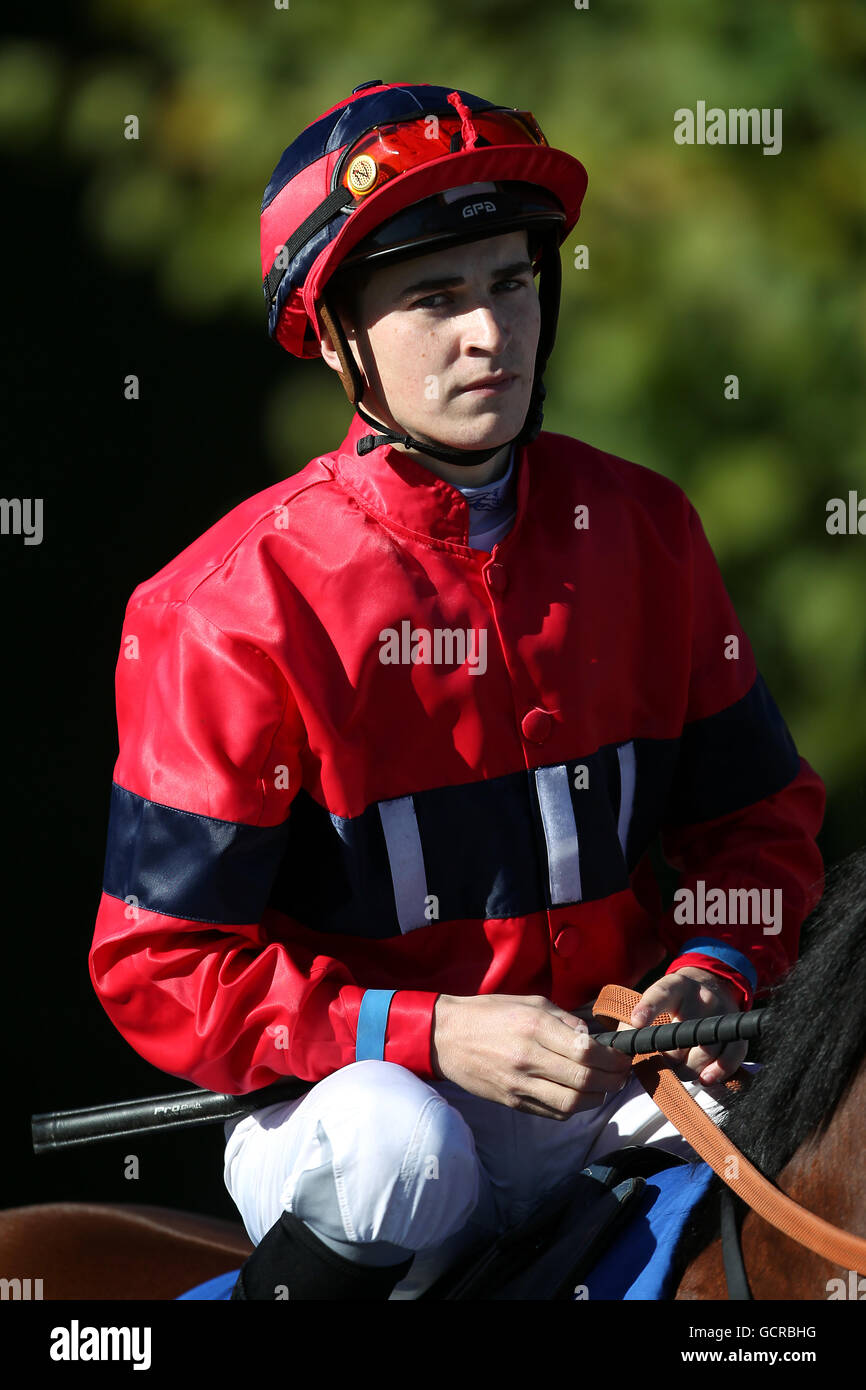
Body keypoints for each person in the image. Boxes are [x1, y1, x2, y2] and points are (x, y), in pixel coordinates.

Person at [89, 80, 826, 1300]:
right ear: (334, 340)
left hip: (620, 1077)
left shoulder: (643, 527)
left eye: (511, 283)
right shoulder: (224, 606)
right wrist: (427, 1032)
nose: (490, 331)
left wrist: (715, 963)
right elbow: (161, 969)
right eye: (436, 298)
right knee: (398, 1155)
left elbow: (753, 827)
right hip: (360, 1101)